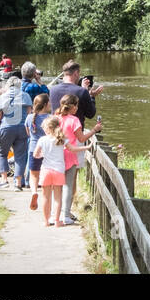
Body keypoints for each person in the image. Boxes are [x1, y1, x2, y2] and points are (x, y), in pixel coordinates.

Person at [56, 93, 101, 225]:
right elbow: (81, 139)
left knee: (57, 186)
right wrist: (94, 130)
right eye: (77, 105)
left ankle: (56, 214)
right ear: (74, 107)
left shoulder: (56, 118)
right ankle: (66, 215)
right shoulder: (74, 120)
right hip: (70, 154)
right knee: (68, 186)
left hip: (57, 154)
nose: (78, 107)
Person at [33, 116, 79, 227]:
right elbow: (73, 149)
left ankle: (46, 221)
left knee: (45, 197)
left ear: (48, 128)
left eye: (44, 127)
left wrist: (42, 155)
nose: (43, 129)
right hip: (58, 171)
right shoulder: (61, 139)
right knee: (58, 198)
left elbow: (35, 155)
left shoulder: (42, 140)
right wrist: (87, 147)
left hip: (46, 170)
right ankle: (57, 221)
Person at [0, 74, 32, 191]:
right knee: (20, 156)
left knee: (2, 153)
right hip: (22, 128)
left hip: (6, 127)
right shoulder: (25, 96)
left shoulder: (2, 97)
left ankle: (4, 180)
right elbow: (29, 113)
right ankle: (18, 183)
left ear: (8, 85)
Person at [49, 60, 102, 128]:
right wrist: (91, 96)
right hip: (76, 134)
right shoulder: (82, 91)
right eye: (79, 74)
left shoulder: (52, 90)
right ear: (76, 73)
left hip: (57, 132)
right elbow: (90, 114)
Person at [25, 93, 50, 211]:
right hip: (47, 151)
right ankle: (46, 197)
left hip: (33, 149)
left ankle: (34, 192)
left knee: (34, 175)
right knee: (45, 175)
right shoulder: (50, 118)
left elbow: (28, 133)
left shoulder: (30, 117)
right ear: (45, 104)